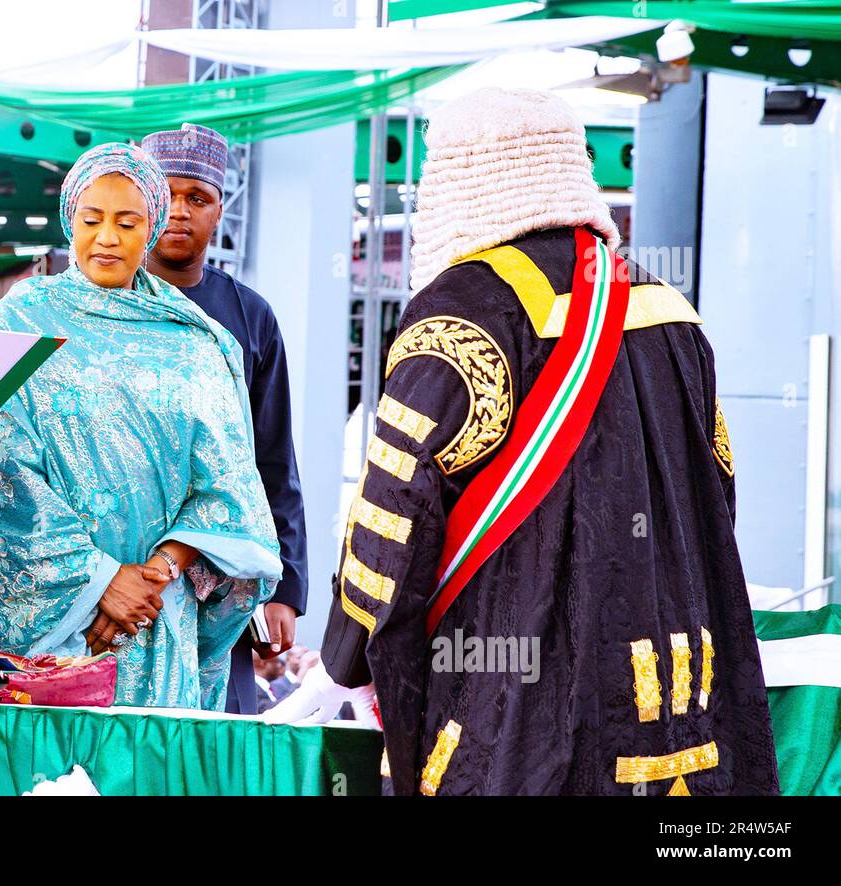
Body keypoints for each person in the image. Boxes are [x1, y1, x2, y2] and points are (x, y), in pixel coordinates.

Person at [270, 88, 778, 796]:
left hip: (520, 707)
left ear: (452, 179)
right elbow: (717, 491)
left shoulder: (459, 316)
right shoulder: (670, 311)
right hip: (682, 698)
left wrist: (346, 654)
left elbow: (390, 533)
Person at [0, 141, 281, 710]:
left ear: (150, 227)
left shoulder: (200, 341)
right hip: (54, 626)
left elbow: (231, 486)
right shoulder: (21, 318)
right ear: (68, 222)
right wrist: (100, 580)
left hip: (158, 613)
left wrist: (153, 576)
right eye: (92, 220)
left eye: (127, 222)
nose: (107, 237)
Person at [140, 123, 309, 715]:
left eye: (198, 199)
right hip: (119, 568)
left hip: (220, 575)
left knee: (213, 745)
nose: (179, 213)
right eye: (165, 195)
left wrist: (284, 587)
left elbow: (272, 461)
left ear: (219, 212)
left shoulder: (249, 317)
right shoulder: (91, 304)